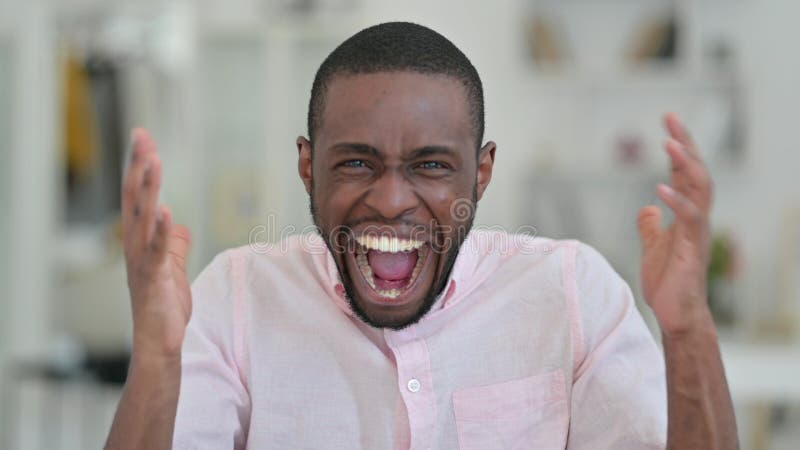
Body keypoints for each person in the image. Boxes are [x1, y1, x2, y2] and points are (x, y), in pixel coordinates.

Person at [105, 22, 738, 449]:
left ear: (481, 173)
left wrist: (688, 329)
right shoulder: (235, 298)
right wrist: (157, 358)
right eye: (356, 162)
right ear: (307, 167)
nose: (390, 199)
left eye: (431, 166)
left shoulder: (572, 293)